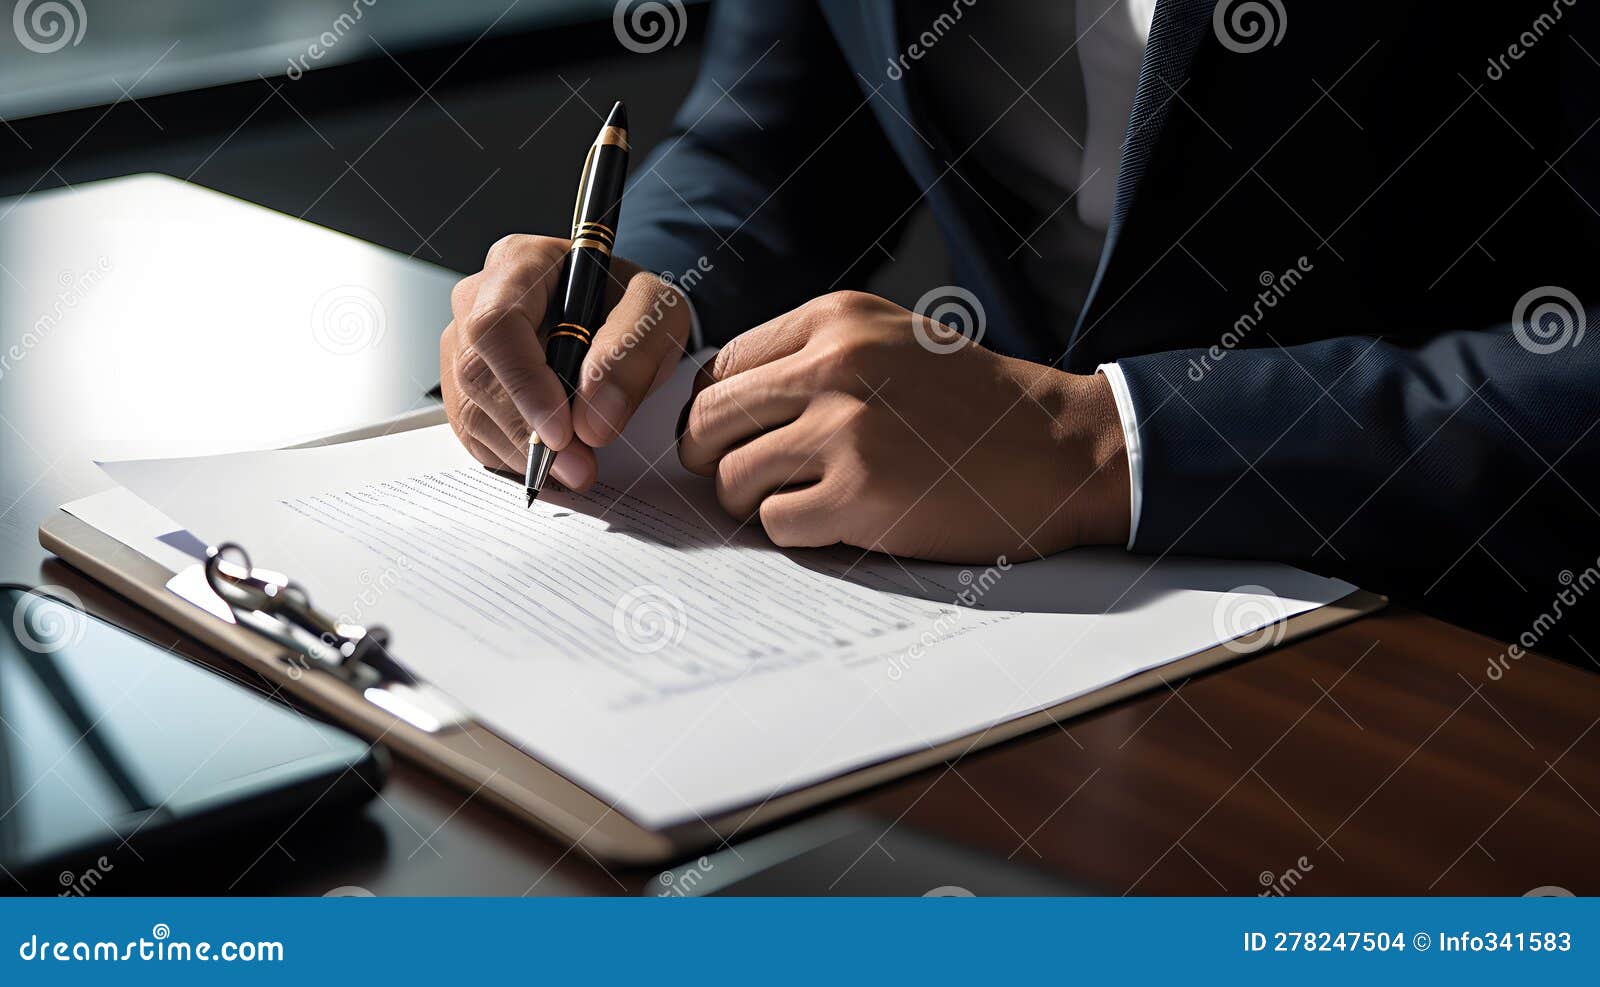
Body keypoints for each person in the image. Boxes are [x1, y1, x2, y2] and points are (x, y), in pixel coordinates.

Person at [439, 1, 1600, 655]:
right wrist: (640, 293)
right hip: (1000, 622)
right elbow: (767, 141)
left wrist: (1101, 442)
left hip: (1479, 642)